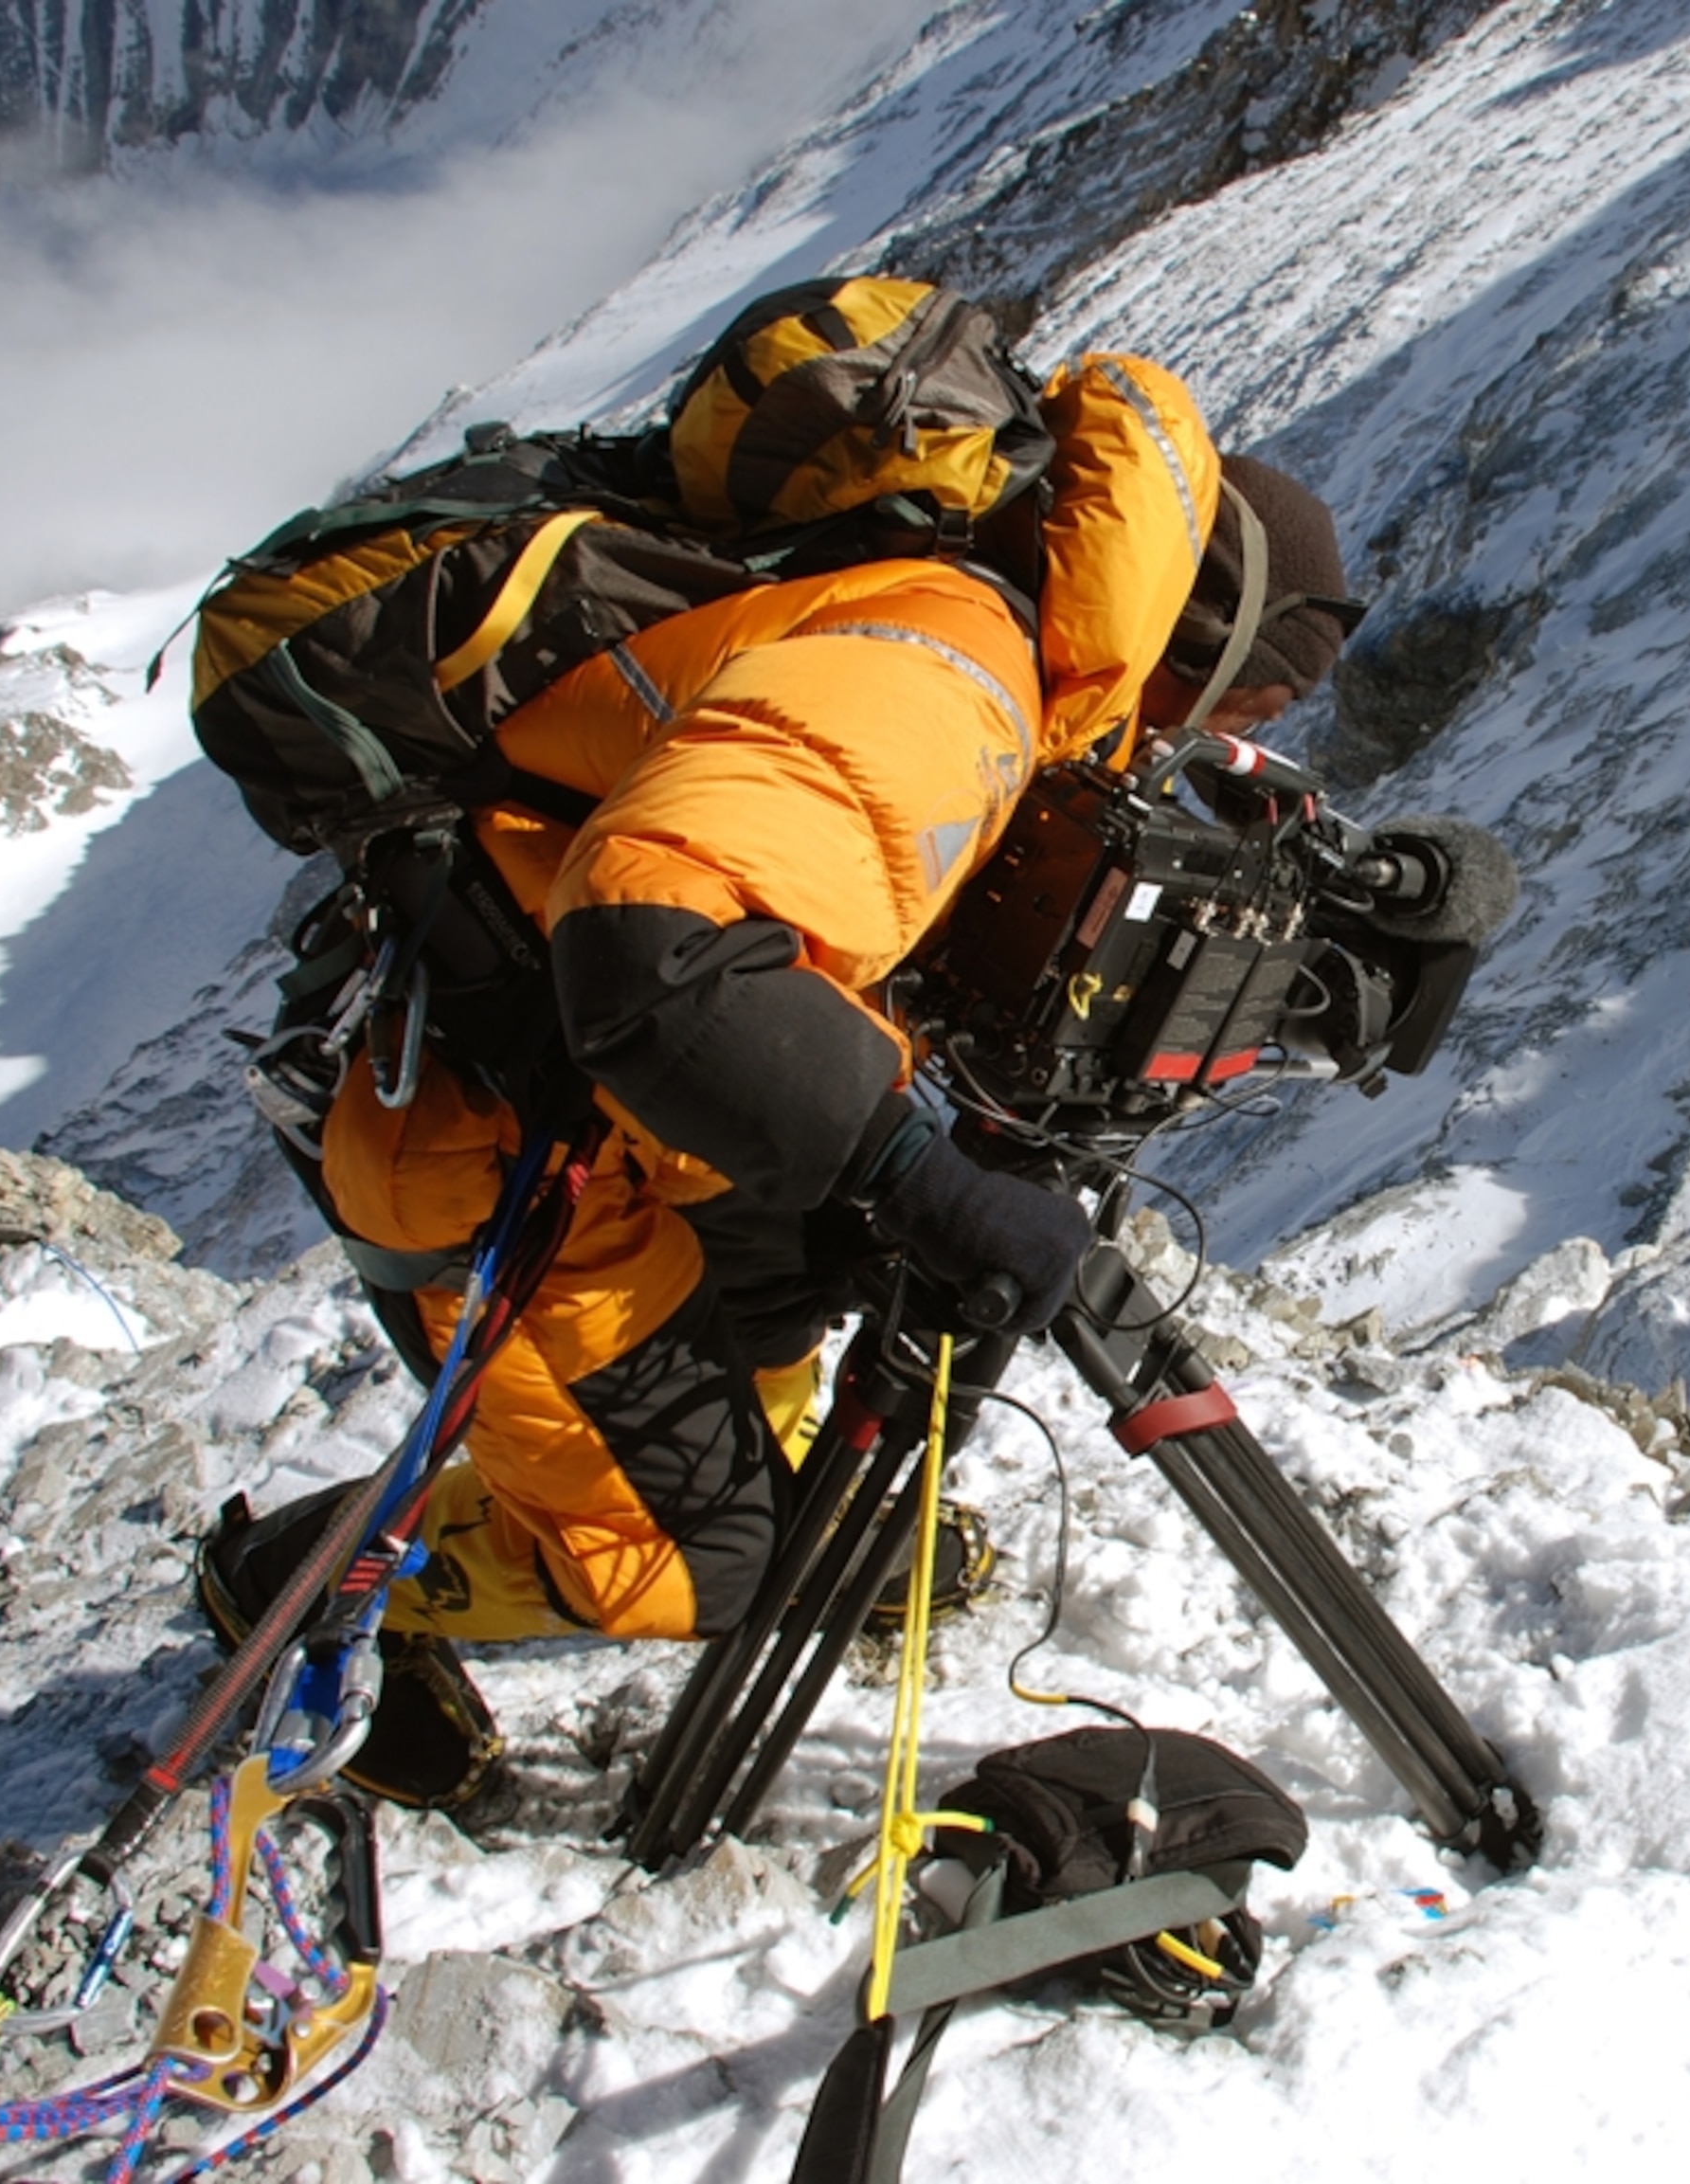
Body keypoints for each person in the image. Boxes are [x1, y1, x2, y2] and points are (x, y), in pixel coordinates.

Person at [197, 378, 1366, 1808]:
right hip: (506, 1145)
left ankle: (786, 1502)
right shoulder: (945, 670)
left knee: (820, 1290)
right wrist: (924, 1178)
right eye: (1247, 701)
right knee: (693, 1563)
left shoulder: (1006, 631)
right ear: (1195, 642)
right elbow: (656, 945)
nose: (1213, 747)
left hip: (642, 1112)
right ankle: (285, 1583)